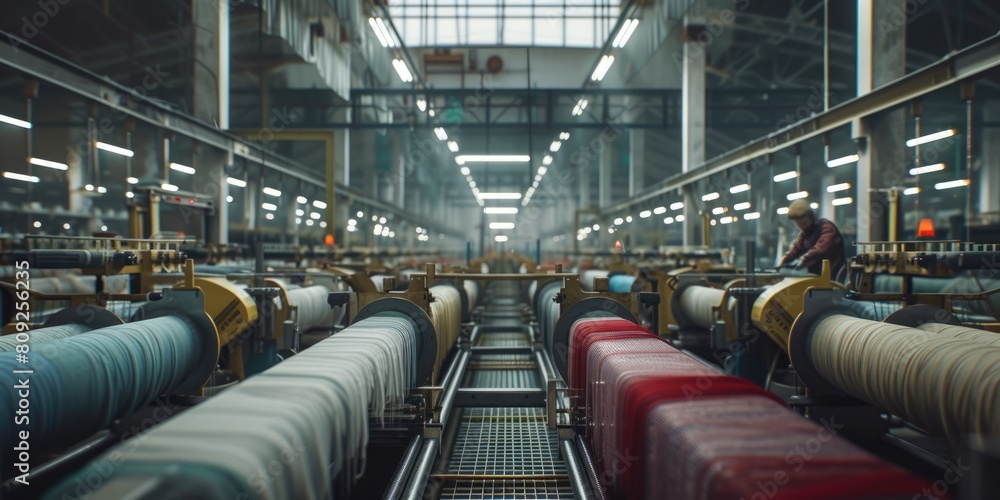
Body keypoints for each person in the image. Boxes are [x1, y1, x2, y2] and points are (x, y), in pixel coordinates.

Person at [777, 199, 846, 280]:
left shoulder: (826, 227)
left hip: (832, 277)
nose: (802, 227)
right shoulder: (805, 233)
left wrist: (804, 259)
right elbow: (796, 249)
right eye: (799, 225)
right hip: (817, 277)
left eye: (804, 223)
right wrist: (785, 259)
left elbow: (820, 249)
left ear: (810, 216)